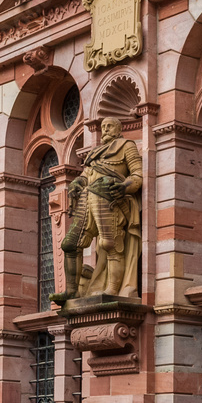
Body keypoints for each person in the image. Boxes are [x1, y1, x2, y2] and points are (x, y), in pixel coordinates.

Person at [52, 117, 143, 302]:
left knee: (110, 245)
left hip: (110, 200)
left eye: (109, 126)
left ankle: (112, 290)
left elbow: (137, 175)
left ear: (118, 129)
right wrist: (77, 182)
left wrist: (124, 186)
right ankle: (72, 291)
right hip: (87, 199)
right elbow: (86, 175)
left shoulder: (127, 146)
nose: (105, 129)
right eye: (103, 127)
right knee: (69, 244)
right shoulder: (95, 154)